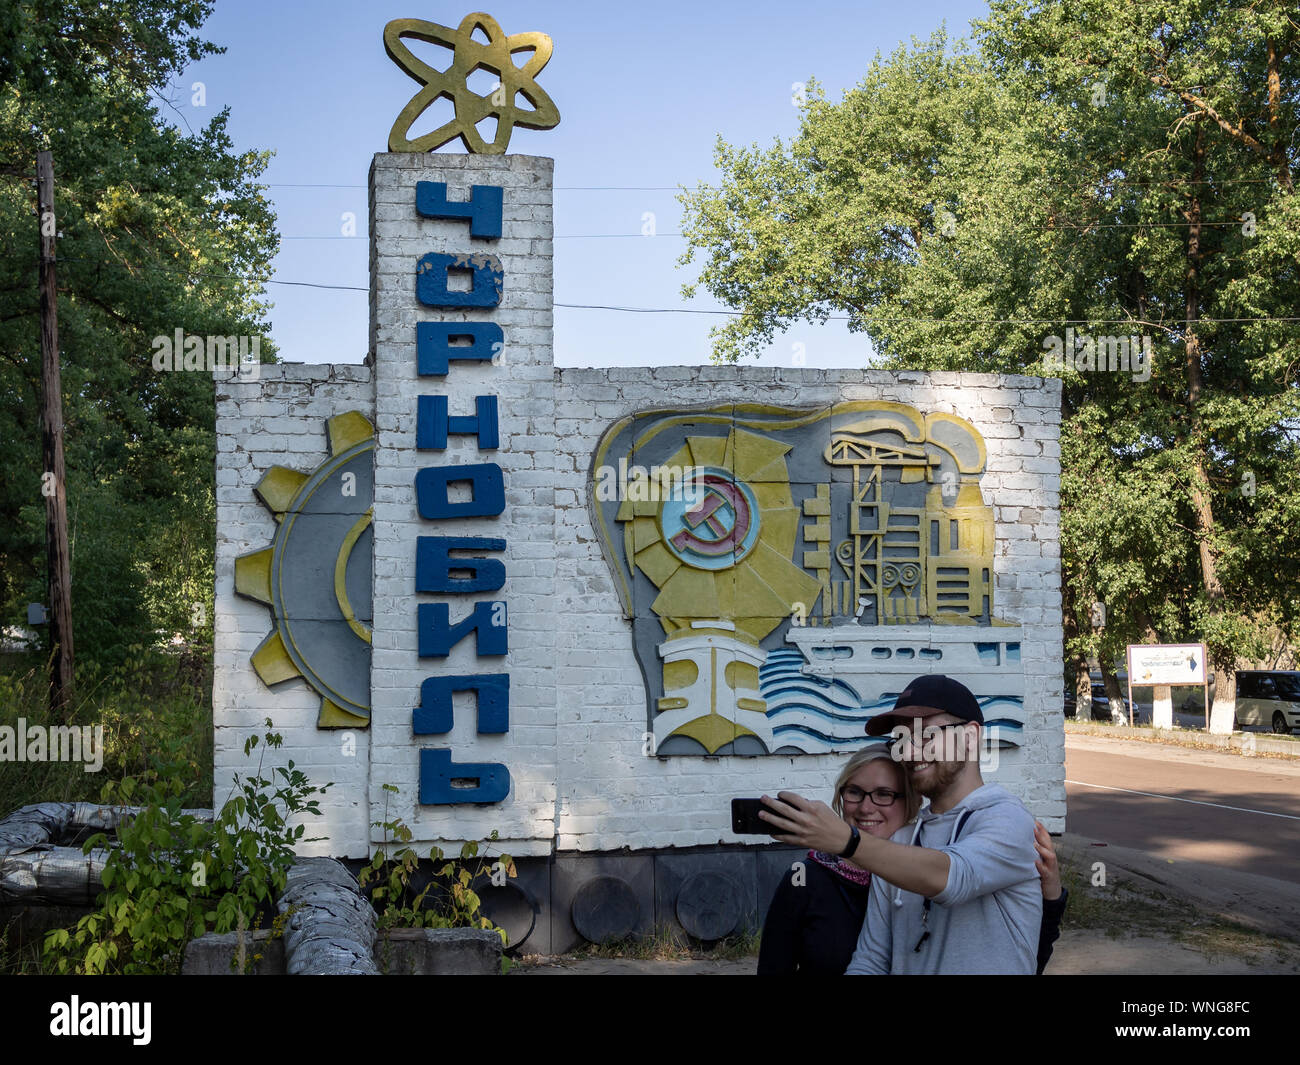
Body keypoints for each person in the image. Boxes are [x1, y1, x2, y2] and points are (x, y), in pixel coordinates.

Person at [760, 674, 1051, 974]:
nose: (909, 753)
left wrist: (847, 840)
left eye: (926, 736)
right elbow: (871, 960)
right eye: (901, 740)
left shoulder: (1009, 819)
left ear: (970, 736)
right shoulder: (900, 842)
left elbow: (955, 878)